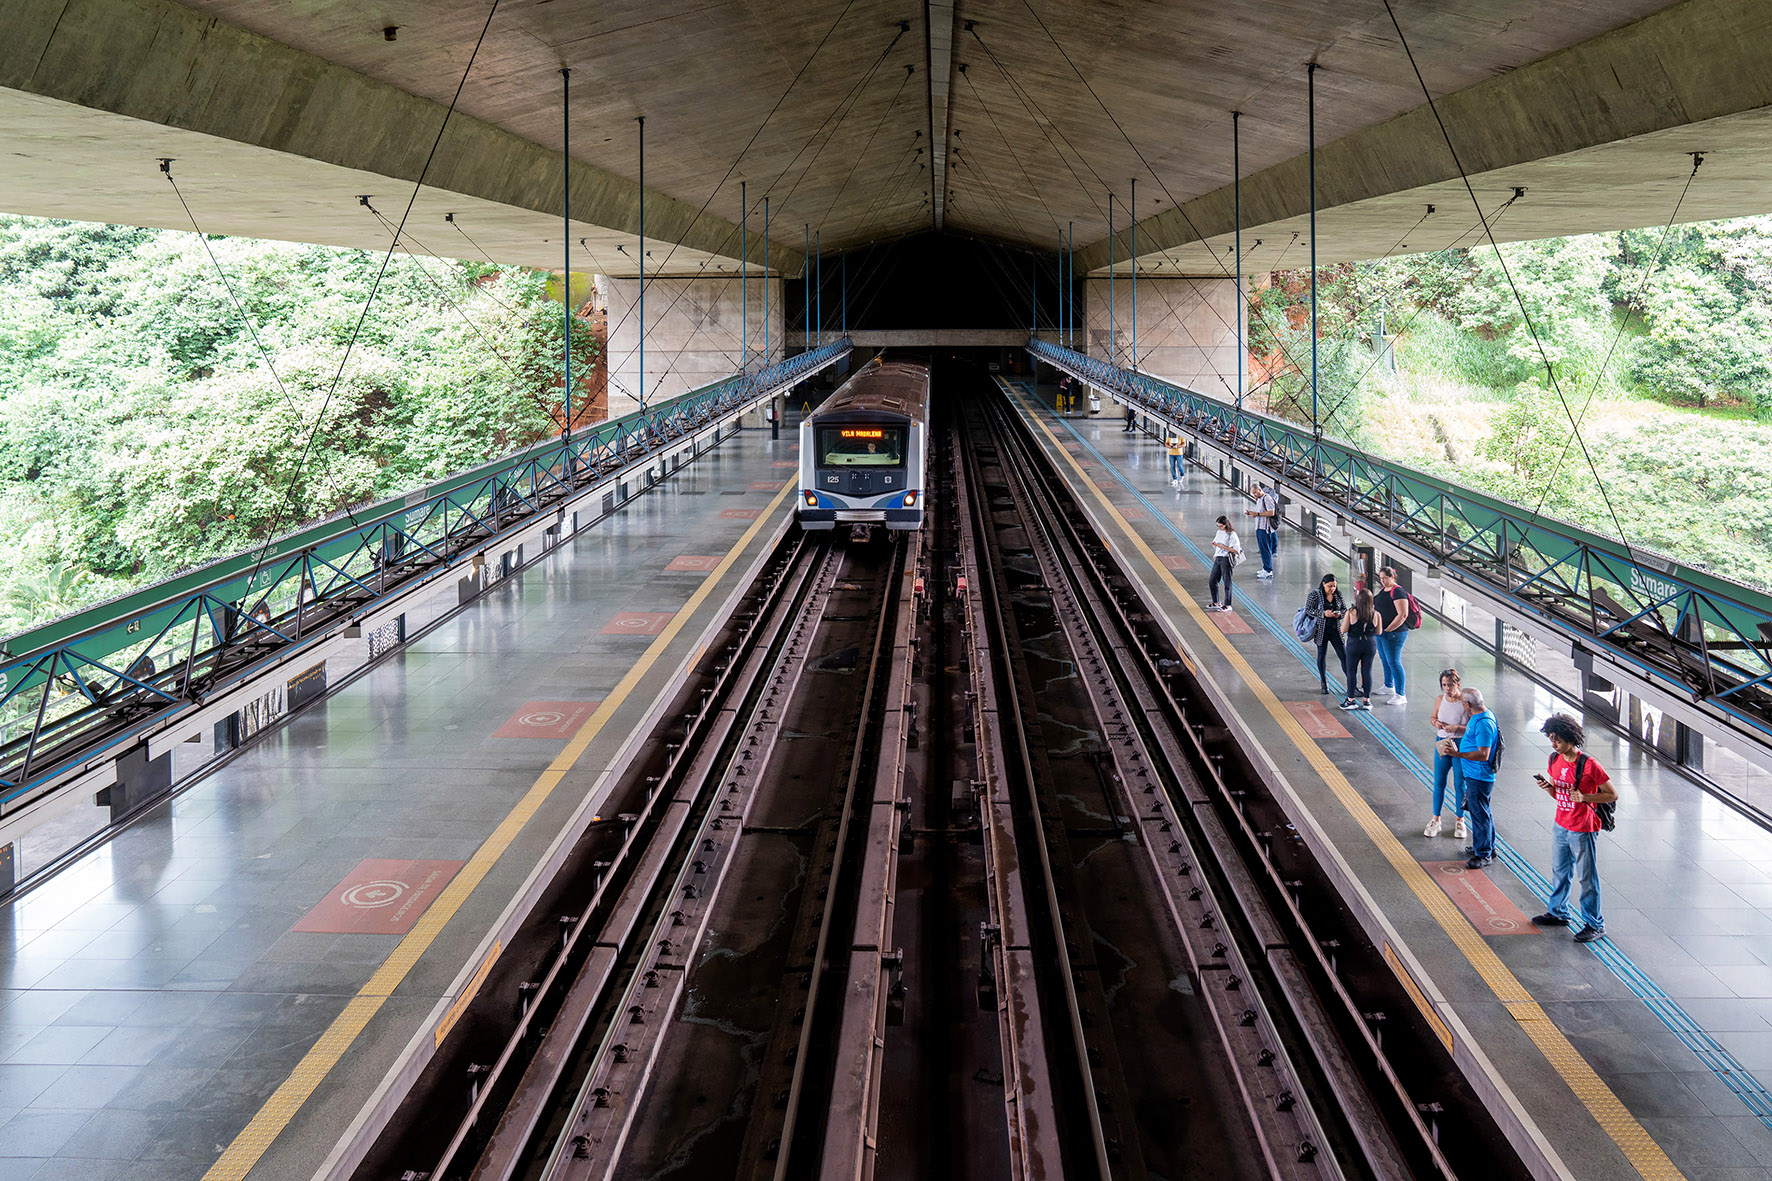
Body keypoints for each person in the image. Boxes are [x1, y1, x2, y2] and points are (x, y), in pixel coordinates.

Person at [1531, 714, 1617, 943]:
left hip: (1583, 827)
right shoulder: (1553, 759)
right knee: (1560, 871)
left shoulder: (1589, 765)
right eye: (1551, 739)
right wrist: (1547, 787)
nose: (1553, 744)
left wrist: (1585, 796)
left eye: (1557, 740)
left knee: (1586, 876)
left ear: (1570, 738)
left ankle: (1595, 923)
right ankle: (1558, 912)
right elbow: (1559, 795)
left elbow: (1612, 793)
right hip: (1561, 823)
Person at [1437, 687, 1498, 868]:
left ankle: (1483, 854)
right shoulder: (1478, 718)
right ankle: (1487, 846)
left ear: (1467, 704)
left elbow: (1483, 754)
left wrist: (1458, 755)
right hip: (1474, 774)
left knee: (1479, 814)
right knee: (1482, 811)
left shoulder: (1483, 724)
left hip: (1479, 776)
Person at [1425, 669, 1469, 840]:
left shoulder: (1465, 702)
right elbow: (1432, 716)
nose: (1447, 689)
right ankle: (1436, 819)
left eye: (1450, 685)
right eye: (1444, 685)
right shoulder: (1440, 699)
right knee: (1439, 782)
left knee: (1460, 783)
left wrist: (1457, 728)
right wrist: (1436, 723)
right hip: (1443, 743)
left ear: (1458, 684)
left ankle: (1460, 819)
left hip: (1459, 744)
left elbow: (1473, 727)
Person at [1303, 574, 1347, 695]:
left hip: (1335, 630)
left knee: (1343, 656)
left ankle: (1351, 683)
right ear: (1323, 584)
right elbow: (1308, 609)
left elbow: (1344, 609)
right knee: (1322, 655)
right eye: (1329, 586)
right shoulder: (1315, 594)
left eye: (1334, 586)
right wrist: (1323, 613)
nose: (1332, 589)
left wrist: (1340, 615)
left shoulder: (1338, 595)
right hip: (1321, 630)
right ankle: (1323, 682)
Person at [1373, 566, 1411, 704]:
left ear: (1392, 576)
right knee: (1385, 659)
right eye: (1381, 578)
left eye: (1385, 578)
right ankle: (1389, 685)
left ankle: (1401, 694)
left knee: (1394, 662)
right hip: (1382, 632)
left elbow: (1403, 614)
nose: (1383, 581)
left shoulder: (1398, 592)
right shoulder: (1384, 589)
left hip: (1395, 633)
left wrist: (1389, 629)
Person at [1338, 589, 1380, 709]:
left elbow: (1343, 629)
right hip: (1370, 644)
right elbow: (1379, 631)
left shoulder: (1351, 612)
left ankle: (1351, 700)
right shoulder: (1376, 614)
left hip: (1354, 643)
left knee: (1351, 671)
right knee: (1367, 671)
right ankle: (1367, 700)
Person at [1206, 516, 1242, 612]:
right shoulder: (1219, 532)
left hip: (1226, 559)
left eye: (1221, 526)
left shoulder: (1232, 535)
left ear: (1226, 525)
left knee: (1227, 582)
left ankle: (1228, 604)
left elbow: (1235, 550)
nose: (1219, 528)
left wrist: (1223, 547)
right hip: (1218, 557)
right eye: (1218, 526)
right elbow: (1217, 543)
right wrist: (1215, 545)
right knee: (1212, 580)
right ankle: (1216, 602)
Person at [1246, 481, 1279, 579]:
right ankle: (1265, 568)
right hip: (1259, 526)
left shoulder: (1267, 498)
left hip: (1265, 528)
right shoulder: (1260, 499)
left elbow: (1271, 512)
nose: (1254, 495)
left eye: (1255, 492)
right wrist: (1252, 513)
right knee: (1262, 549)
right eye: (1253, 493)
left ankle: (1268, 570)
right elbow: (1260, 512)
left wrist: (1258, 514)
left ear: (1260, 490)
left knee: (1265, 549)